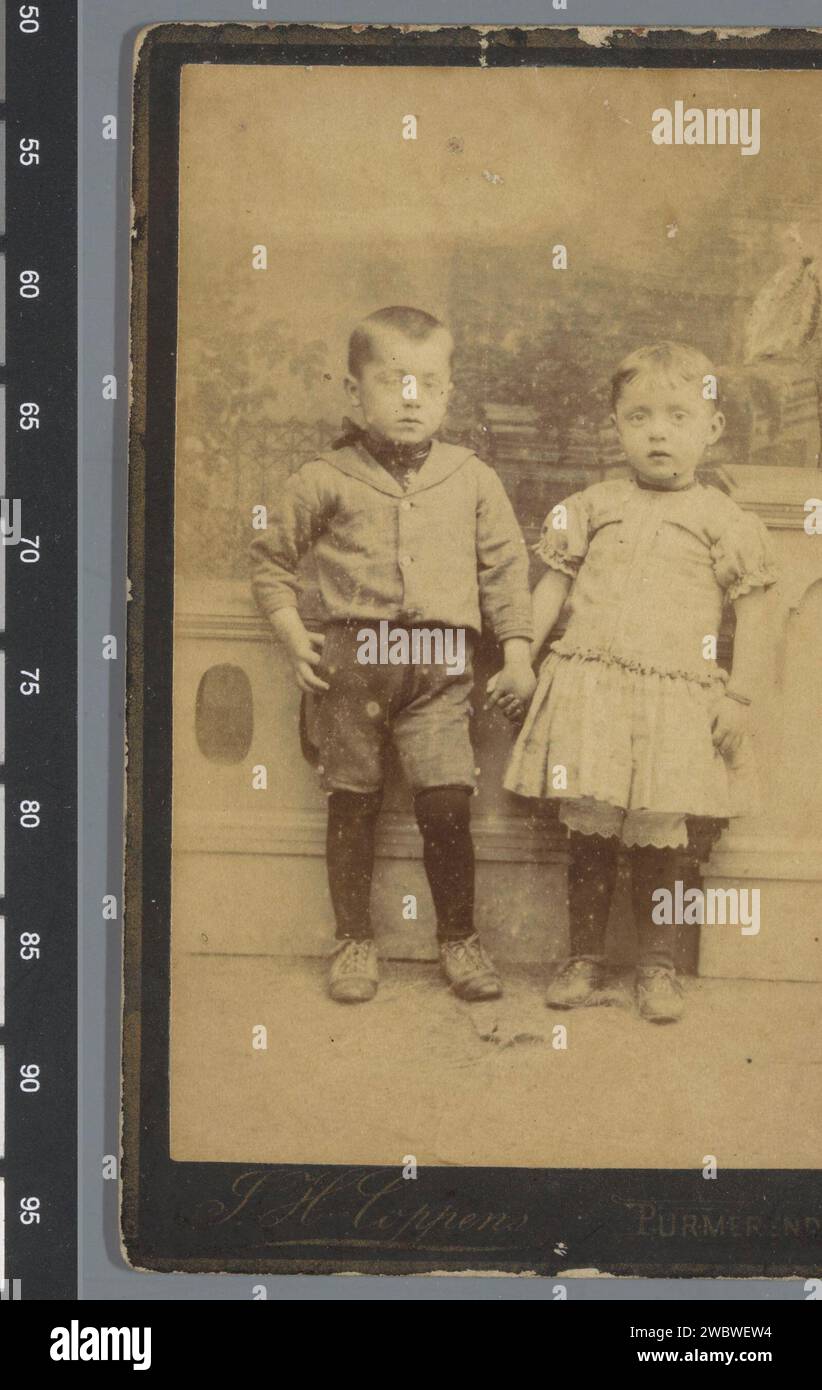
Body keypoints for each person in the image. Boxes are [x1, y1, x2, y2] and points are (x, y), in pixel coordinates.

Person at [250, 306, 535, 1003]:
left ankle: (459, 940)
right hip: (350, 665)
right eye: (393, 381)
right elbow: (270, 561)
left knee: (446, 805)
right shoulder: (324, 476)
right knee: (352, 802)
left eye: (428, 384)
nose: (411, 399)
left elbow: (504, 568)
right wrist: (291, 634)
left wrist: (520, 653)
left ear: (447, 393)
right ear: (355, 393)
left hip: (440, 667)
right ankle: (353, 941)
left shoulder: (472, 477)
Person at [498, 343, 777, 1022]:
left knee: (661, 833)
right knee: (589, 828)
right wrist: (521, 660)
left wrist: (740, 697)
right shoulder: (591, 506)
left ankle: (657, 966)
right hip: (593, 689)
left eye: (678, 416)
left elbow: (757, 611)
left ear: (711, 428)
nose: (658, 431)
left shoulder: (725, 520)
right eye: (640, 416)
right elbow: (553, 586)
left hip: (674, 697)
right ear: (616, 426)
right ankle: (584, 956)